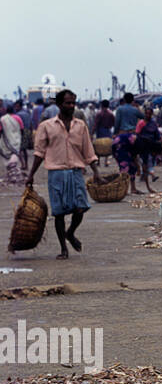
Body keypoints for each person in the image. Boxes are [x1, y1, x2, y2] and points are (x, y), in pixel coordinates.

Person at [27, 90, 101, 259]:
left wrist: (96, 172)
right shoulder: (46, 126)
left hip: (76, 172)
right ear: (59, 104)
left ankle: (71, 232)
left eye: (73, 103)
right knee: (59, 213)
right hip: (56, 173)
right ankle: (63, 249)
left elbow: (88, 151)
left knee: (81, 208)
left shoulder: (81, 126)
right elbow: (39, 153)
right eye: (68, 103)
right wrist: (30, 175)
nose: (71, 106)